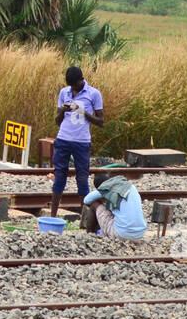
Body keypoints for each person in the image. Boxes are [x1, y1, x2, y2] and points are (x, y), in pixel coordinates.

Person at [49, 65, 103, 217]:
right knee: (59, 176)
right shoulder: (63, 92)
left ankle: (84, 218)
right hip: (63, 139)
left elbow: (101, 121)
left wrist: (84, 112)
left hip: (82, 142)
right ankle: (53, 216)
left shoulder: (94, 94)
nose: (73, 88)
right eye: (71, 85)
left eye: (76, 85)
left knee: (82, 178)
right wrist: (63, 111)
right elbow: (57, 121)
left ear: (82, 80)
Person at [82, 172, 147, 240]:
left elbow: (86, 200)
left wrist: (100, 195)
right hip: (140, 234)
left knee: (94, 204)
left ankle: (90, 237)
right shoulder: (129, 186)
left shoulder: (106, 187)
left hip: (122, 235)